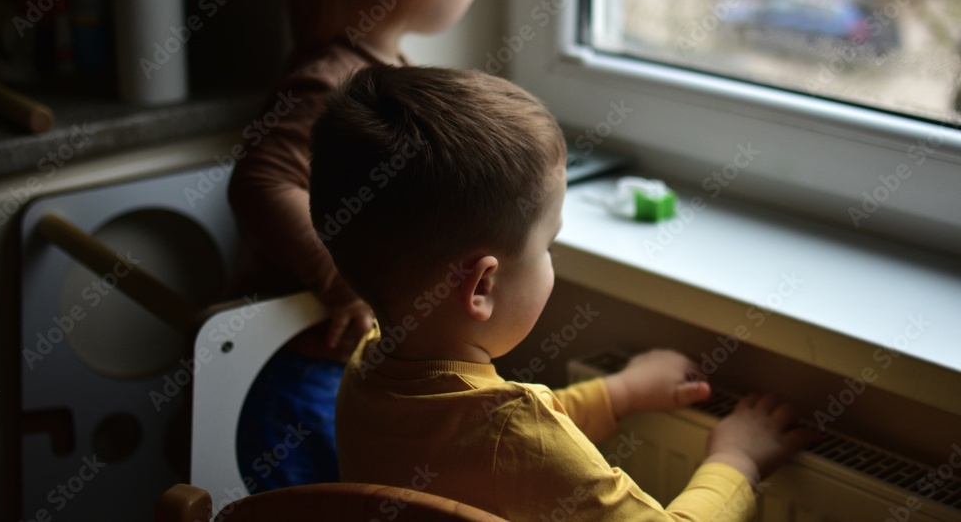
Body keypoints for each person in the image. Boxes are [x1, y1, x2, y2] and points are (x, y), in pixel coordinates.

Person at [309, 64, 819, 520]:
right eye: (547, 245)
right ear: (482, 286)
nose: (552, 260)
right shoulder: (512, 428)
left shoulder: (365, 369)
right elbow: (516, 441)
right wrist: (736, 461)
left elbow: (497, 446)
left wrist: (618, 394)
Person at [227, 0, 487, 490]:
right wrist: (343, 282)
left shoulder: (378, 67)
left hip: (340, 363)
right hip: (300, 362)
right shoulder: (327, 83)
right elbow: (259, 181)